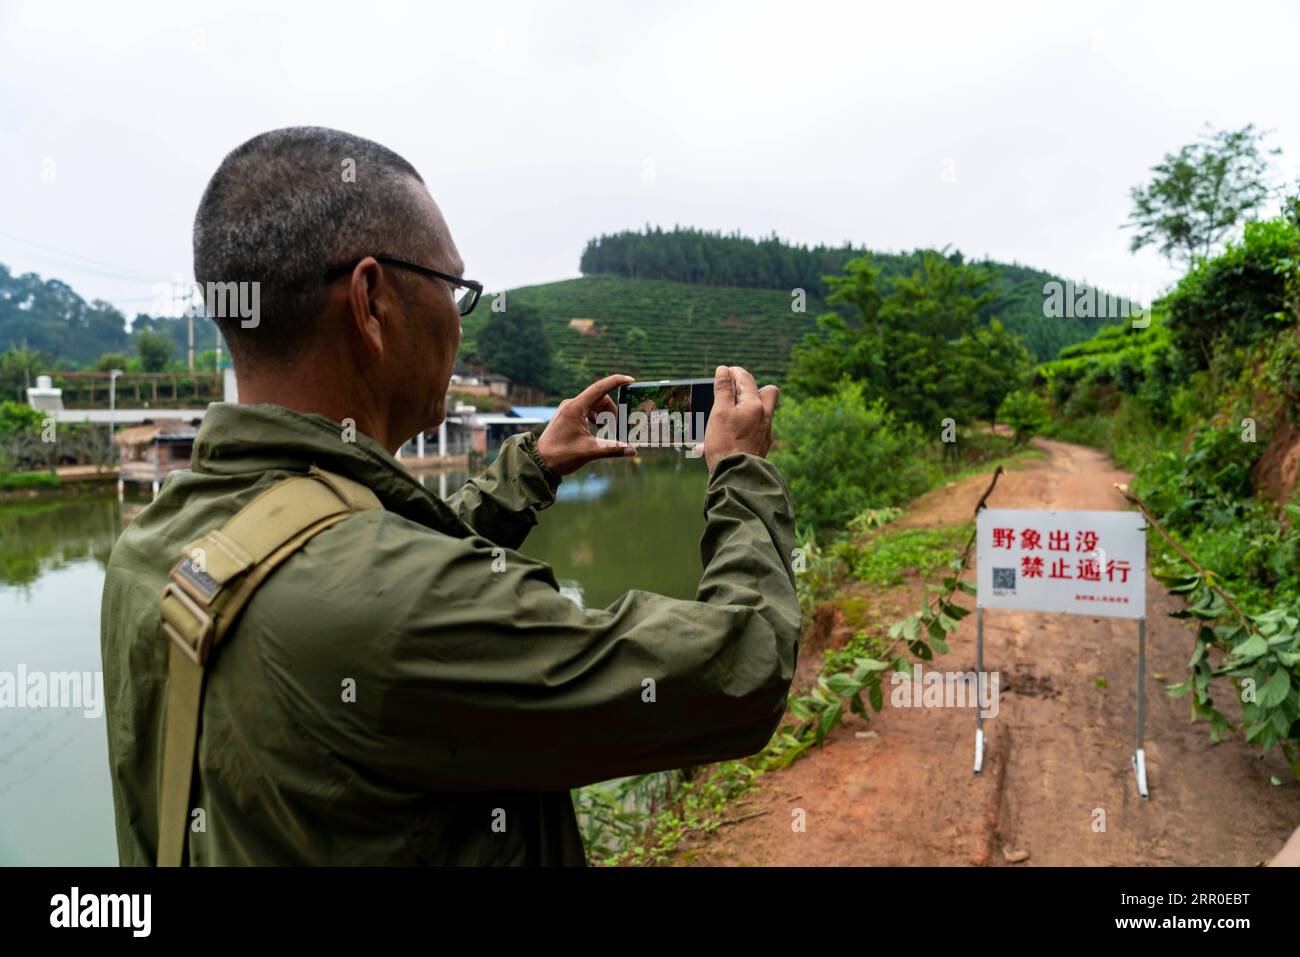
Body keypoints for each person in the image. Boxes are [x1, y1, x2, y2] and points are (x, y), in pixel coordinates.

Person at [100, 126, 801, 866]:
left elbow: (346, 570)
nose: (459, 323)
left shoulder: (153, 549)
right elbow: (745, 667)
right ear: (372, 301)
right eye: (454, 290)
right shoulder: (393, 606)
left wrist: (530, 467)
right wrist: (740, 471)